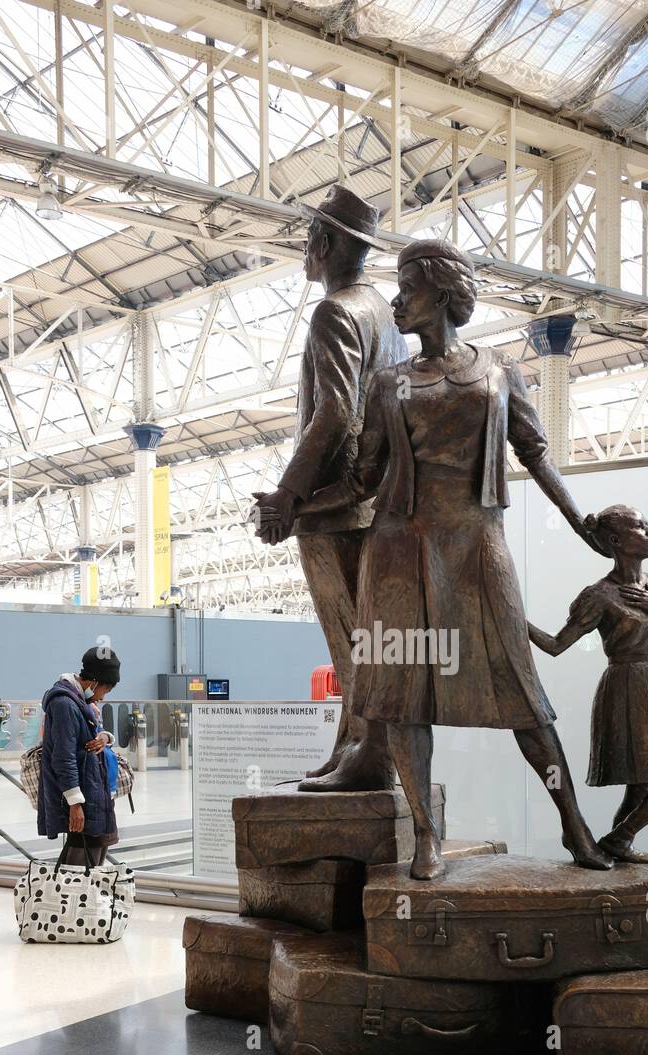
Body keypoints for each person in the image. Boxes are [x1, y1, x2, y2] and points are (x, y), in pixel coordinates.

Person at [289, 239, 612, 879]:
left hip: (476, 548)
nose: (397, 301)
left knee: (524, 697)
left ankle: (576, 829)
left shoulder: (498, 371)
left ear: (441, 295)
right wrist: (290, 506)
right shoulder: (389, 383)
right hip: (398, 555)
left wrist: (582, 523)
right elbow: (363, 481)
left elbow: (535, 453)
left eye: (407, 288)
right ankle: (426, 837)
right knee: (402, 699)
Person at [252, 185, 406, 790]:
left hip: (333, 508)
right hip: (375, 504)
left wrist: (288, 497)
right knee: (368, 639)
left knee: (351, 642)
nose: (304, 247)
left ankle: (370, 757)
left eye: (309, 236)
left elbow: (335, 413)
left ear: (326, 242)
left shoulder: (335, 312)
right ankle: (352, 745)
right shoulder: (384, 314)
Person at [528, 505, 648, 863]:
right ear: (616, 541)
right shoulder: (600, 595)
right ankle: (618, 838)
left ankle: (620, 845)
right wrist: (514, 620)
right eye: (640, 526)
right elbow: (557, 645)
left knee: (643, 781)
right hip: (627, 686)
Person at [37, 646, 121, 867]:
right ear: (94, 682)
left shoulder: (80, 702)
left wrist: (105, 737)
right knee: (80, 864)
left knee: (96, 851)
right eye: (105, 690)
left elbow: (89, 736)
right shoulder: (64, 704)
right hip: (82, 794)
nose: (102, 697)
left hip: (93, 789)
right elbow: (63, 757)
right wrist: (75, 803)